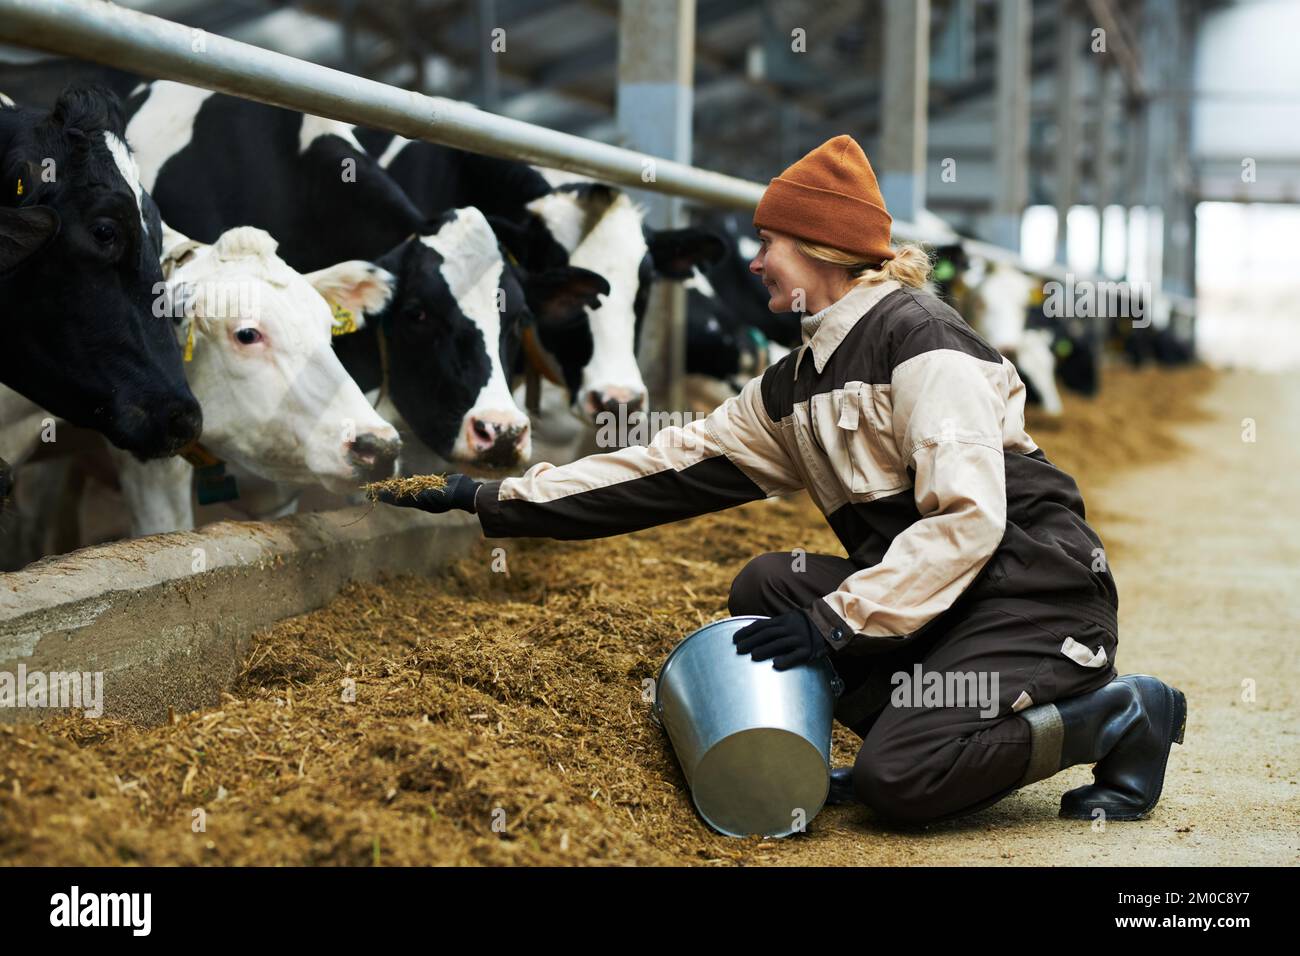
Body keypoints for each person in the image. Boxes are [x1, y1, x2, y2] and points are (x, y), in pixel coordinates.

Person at [378, 135, 1186, 827]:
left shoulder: (925, 340)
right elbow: (666, 465)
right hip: (941, 604)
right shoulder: (795, 383)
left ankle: (1114, 716)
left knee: (896, 782)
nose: (755, 260)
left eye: (772, 242)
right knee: (769, 584)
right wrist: (492, 498)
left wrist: (839, 623)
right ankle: (929, 728)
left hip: (1031, 595)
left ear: (823, 248)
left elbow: (968, 521)